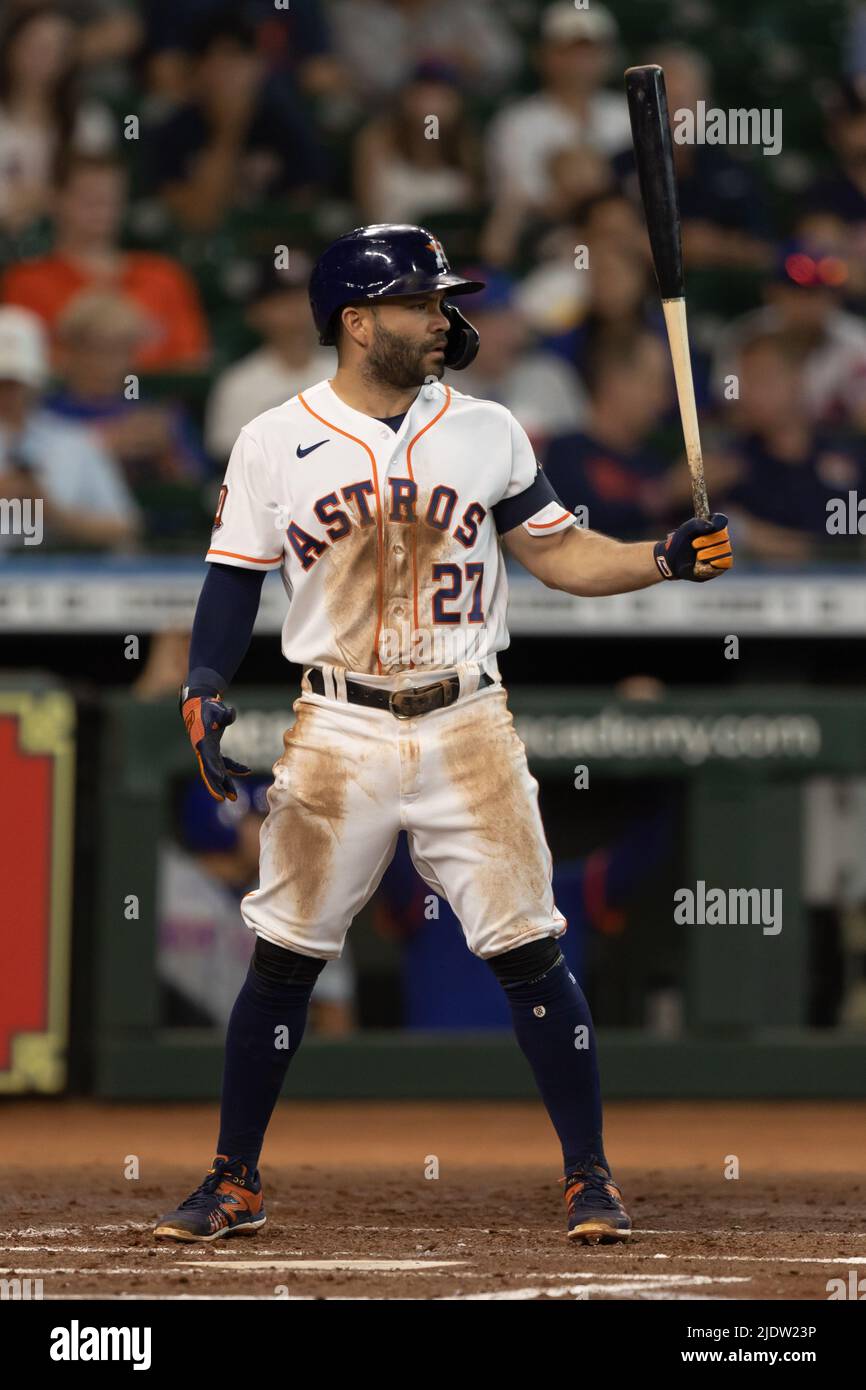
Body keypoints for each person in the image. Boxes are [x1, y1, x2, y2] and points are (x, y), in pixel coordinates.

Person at [152, 223, 732, 1246]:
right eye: (420, 303)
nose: (440, 319)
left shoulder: (487, 429)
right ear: (356, 319)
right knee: (283, 957)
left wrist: (659, 558)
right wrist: (203, 678)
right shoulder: (270, 437)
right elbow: (232, 579)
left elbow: (559, 557)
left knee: (527, 948)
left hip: (467, 715)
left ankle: (588, 1177)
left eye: (440, 301)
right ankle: (233, 1177)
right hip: (336, 721)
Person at [2, 153, 210, 371]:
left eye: (112, 198)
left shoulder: (163, 276)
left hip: (154, 402)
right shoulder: (27, 282)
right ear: (57, 200)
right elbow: (19, 367)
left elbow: (192, 361)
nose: (103, 208)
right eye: (89, 198)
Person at [0, 305, 140, 551]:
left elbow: (123, 524)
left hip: (60, 574)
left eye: (16, 383)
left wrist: (52, 512)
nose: (9, 394)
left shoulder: (73, 441)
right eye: (3, 384)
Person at [721, 331, 866, 563]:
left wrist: (777, 544)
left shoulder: (848, 458)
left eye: (763, 378)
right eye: (743, 381)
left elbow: (853, 544)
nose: (750, 393)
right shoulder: (729, 466)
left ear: (798, 379)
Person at [46, 289, 208, 486]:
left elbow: (198, 488)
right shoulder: (45, 412)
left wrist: (169, 452)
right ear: (70, 352)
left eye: (123, 349)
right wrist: (97, 445)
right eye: (98, 349)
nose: (111, 363)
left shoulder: (155, 413)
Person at [543, 330, 683, 540]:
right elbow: (578, 529)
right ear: (613, 380)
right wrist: (664, 495)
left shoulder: (658, 461)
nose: (663, 397)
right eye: (652, 382)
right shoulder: (565, 454)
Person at [204, 256, 335, 462]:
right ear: (256, 313)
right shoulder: (239, 384)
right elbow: (229, 463)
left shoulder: (348, 370)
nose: (297, 311)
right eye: (283, 303)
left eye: (305, 299)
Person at [0, 3, 115, 235]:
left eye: (54, 50)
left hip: (66, 244)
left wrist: (37, 200)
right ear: (11, 48)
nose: (42, 59)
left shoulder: (90, 120)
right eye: (34, 47)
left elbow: (97, 194)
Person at [444, 268, 585, 449]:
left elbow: (584, 454)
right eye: (473, 322)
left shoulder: (549, 378)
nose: (482, 334)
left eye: (498, 320)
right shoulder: (435, 390)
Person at [351, 61, 480, 225]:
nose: (433, 106)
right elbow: (367, 209)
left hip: (444, 244)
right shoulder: (377, 139)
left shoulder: (465, 143)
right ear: (407, 97)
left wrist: (433, 129)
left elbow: (470, 208)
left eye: (442, 97)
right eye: (426, 95)